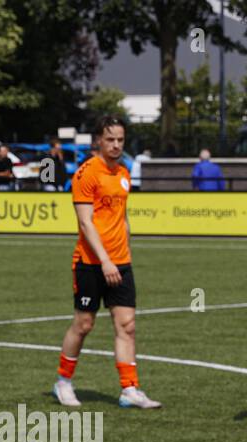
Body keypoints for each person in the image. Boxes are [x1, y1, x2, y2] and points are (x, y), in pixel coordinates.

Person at [53, 115, 162, 409]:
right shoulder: (86, 173)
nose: (116, 145)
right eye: (110, 139)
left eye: (120, 140)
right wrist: (105, 261)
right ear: (98, 140)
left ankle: (130, 388)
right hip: (92, 263)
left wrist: (125, 249)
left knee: (127, 325)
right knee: (84, 323)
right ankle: (63, 382)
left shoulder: (124, 173)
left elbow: (121, 218)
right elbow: (86, 223)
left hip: (121, 262)